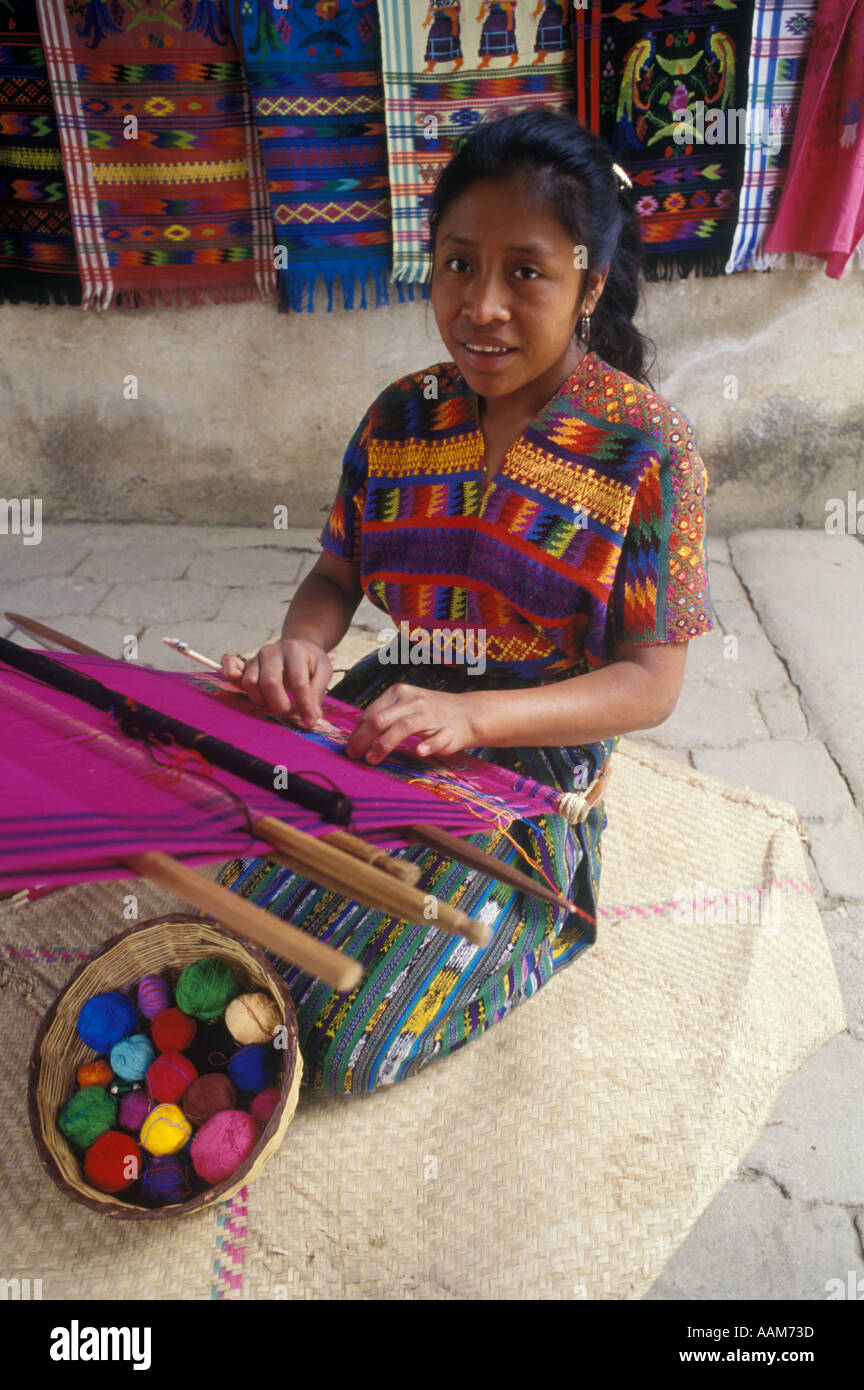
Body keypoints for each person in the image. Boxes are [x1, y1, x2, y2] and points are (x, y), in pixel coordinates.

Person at [217, 106, 714, 1094]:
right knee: (232, 933)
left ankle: (541, 907)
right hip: (395, 701)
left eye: (525, 271)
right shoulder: (404, 415)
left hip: (535, 748)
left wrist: (476, 714)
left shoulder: (647, 451)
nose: (481, 304)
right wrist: (302, 650)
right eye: (457, 264)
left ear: (588, 284)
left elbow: (650, 683)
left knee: (339, 1035)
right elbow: (336, 575)